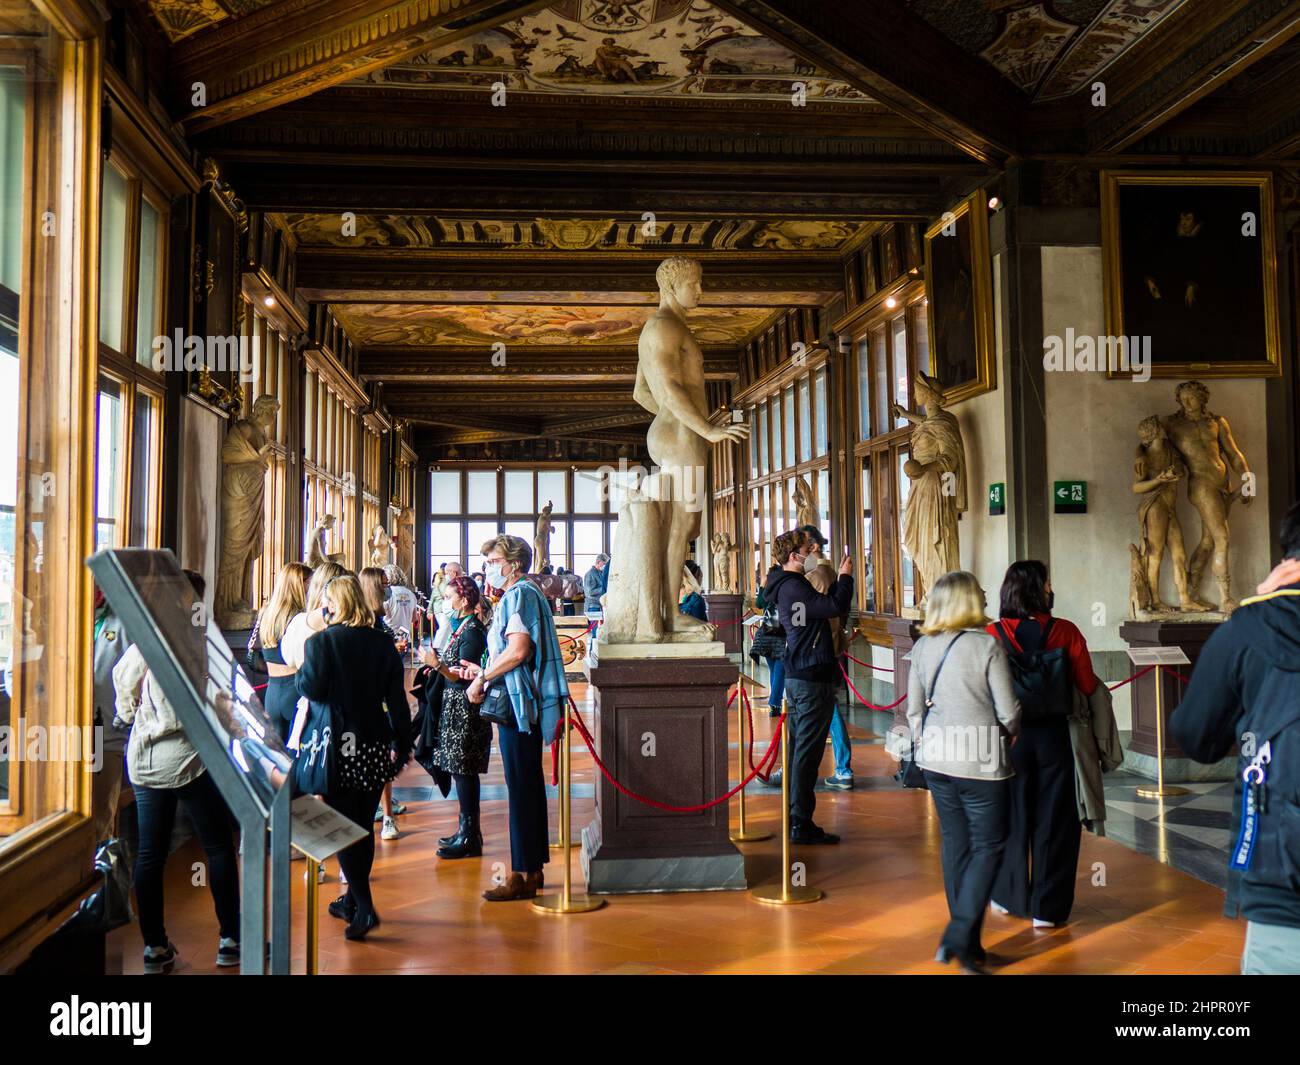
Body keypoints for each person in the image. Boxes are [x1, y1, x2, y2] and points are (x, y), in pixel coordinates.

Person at [1171, 501, 1300, 974]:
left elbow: (1196, 737)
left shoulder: (1252, 625)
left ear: (1288, 559)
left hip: (1283, 858)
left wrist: (1257, 608)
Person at [113, 569, 241, 974]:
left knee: (149, 854)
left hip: (147, 759)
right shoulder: (196, 636)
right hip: (190, 757)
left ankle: (153, 947)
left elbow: (124, 681)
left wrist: (132, 714)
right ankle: (230, 938)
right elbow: (217, 691)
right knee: (218, 847)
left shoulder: (149, 636)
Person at [906, 570, 1020, 974]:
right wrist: (1011, 731)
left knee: (955, 844)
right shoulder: (986, 646)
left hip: (936, 760)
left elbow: (914, 711)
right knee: (988, 846)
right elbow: (1008, 711)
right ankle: (958, 934)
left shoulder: (922, 648)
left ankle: (969, 945)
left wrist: (928, 743)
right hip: (981, 759)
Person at [985, 561, 1105, 929]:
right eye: (1048, 583)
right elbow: (1086, 684)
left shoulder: (991, 634)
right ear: (1039, 590)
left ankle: (1008, 896)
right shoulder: (1066, 631)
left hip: (1010, 737)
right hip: (1056, 736)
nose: (1053, 589)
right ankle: (1047, 909)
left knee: (1011, 814)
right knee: (1056, 820)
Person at [296, 574, 411, 941]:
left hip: (337, 746)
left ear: (334, 605)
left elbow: (311, 688)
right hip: (374, 743)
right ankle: (350, 900)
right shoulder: (383, 644)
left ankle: (364, 906)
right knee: (361, 823)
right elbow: (397, 704)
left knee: (342, 828)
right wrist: (402, 748)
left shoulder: (321, 642)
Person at [457, 535, 568, 901]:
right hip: (527, 703)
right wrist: (485, 668)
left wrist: (484, 678)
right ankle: (531, 867)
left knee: (521, 786)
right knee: (527, 784)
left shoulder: (519, 594)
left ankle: (521, 874)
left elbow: (518, 650)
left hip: (519, 706)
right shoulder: (529, 593)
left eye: (494, 559)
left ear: (514, 563)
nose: (489, 565)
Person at [761, 528, 853, 844]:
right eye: (806, 547)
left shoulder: (788, 585)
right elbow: (833, 607)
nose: (811, 550)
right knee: (807, 753)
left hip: (802, 674)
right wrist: (844, 578)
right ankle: (800, 822)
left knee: (801, 749)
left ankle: (796, 817)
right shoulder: (794, 587)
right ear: (793, 555)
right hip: (810, 676)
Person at [418, 574, 491, 859]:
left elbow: (464, 675)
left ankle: (470, 835)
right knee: (460, 770)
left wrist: (437, 665)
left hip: (465, 709)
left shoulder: (471, 631)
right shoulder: (461, 627)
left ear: (463, 599)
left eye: (449, 598)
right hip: (454, 706)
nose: (445, 602)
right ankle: (466, 830)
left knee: (464, 770)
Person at [361, 566, 407, 840]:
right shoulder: (364, 620)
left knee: (381, 756)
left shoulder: (378, 617)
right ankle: (382, 811)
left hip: (380, 696)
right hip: (371, 698)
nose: (388, 588)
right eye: (384, 584)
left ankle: (386, 810)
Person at [255, 562, 312, 743]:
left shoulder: (266, 613)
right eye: (309, 582)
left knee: (277, 754)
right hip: (294, 690)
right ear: (299, 584)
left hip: (272, 692)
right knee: (298, 754)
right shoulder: (300, 618)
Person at [91, 585, 129, 841]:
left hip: (107, 735)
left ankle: (102, 878)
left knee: (101, 816)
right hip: (62, 736)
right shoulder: (61, 615)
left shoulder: (123, 617)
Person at [383, 564, 419, 638]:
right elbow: (414, 618)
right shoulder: (411, 593)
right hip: (406, 636)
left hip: (389, 635)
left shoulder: (387, 593)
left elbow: (384, 615)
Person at [583, 553, 609, 617]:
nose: (605, 566)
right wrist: (605, 588)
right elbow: (590, 592)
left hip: (599, 605)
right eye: (604, 564)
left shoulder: (600, 573)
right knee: (594, 627)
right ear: (599, 562)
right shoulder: (590, 573)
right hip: (592, 606)